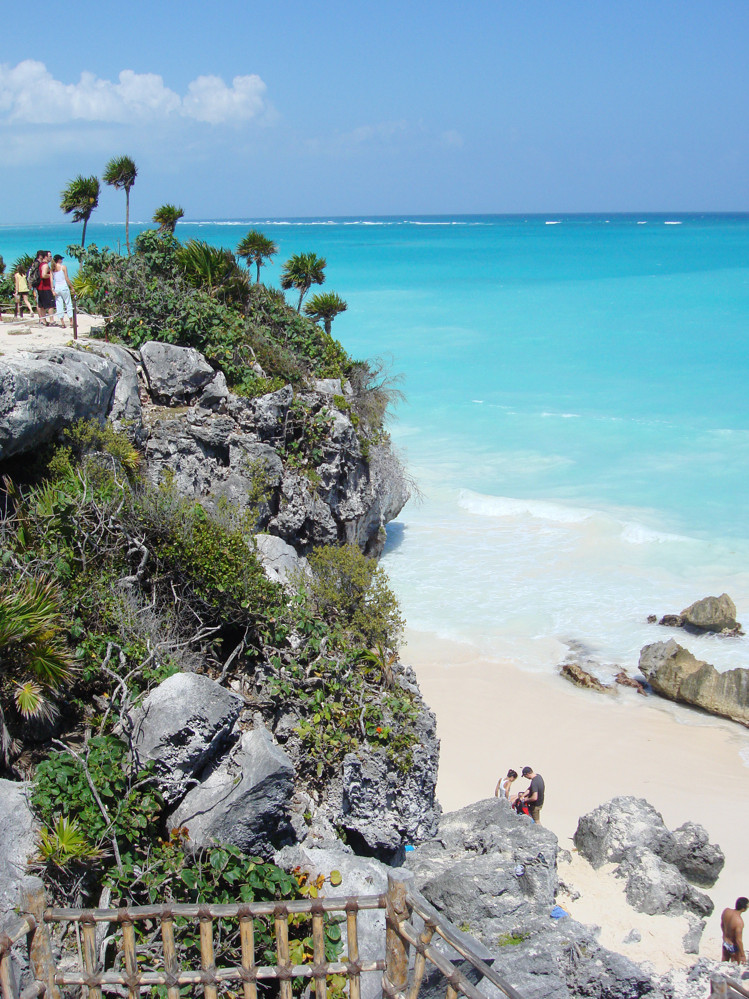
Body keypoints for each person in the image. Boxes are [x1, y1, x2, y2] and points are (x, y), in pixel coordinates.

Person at [721, 898, 748, 963]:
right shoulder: (739, 922)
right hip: (733, 946)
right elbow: (738, 940)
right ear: (743, 908)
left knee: (723, 964)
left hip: (725, 942)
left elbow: (722, 925)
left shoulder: (726, 911)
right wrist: (742, 955)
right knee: (735, 966)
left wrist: (725, 936)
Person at [52, 255, 74, 329]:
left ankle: (62, 323)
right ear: (59, 260)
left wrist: (52, 289)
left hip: (57, 287)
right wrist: (72, 287)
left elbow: (51, 280)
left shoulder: (53, 269)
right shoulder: (63, 267)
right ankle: (71, 321)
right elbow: (66, 278)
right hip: (64, 286)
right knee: (68, 303)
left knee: (59, 305)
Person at [36, 250, 55, 326]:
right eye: (50, 256)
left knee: (42, 305)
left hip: (40, 287)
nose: (51, 258)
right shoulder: (45, 265)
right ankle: (51, 320)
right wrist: (50, 275)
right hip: (45, 287)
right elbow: (43, 275)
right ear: (46, 257)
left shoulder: (40, 265)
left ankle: (44, 320)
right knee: (50, 305)